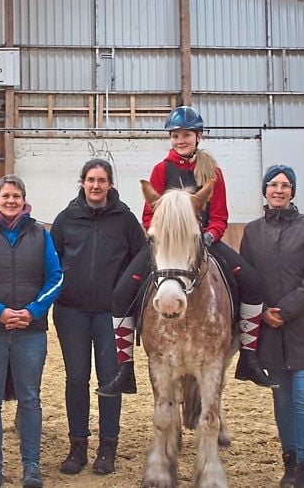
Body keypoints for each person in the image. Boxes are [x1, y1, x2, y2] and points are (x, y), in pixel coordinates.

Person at [97, 105, 276, 395]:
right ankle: (125, 367)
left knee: (253, 284)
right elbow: (148, 214)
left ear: (198, 136)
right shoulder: (160, 170)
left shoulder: (212, 171)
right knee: (120, 295)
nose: (181, 140)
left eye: (186, 135)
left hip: (203, 242)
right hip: (167, 246)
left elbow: (219, 216)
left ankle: (249, 356)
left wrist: (209, 235)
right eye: (176, 135)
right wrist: (161, 234)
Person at [0, 175, 63, 488]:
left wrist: (31, 312)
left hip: (31, 332)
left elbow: (55, 277)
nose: (11, 201)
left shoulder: (41, 235)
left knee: (30, 400)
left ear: (24, 200)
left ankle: (31, 466)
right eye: (5, 196)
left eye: (16, 196)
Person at [49, 158, 146, 476]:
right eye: (90, 180)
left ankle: (108, 448)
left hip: (112, 316)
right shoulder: (66, 219)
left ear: (110, 184)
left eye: (101, 180)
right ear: (82, 182)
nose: (95, 185)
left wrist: (129, 301)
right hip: (71, 312)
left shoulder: (126, 220)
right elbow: (52, 262)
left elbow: (140, 262)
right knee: (76, 379)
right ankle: (77, 446)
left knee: (109, 381)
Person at [240, 165, 304, 488]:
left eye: (285, 185)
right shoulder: (252, 232)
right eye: (273, 184)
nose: (278, 190)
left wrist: (286, 309)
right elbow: (247, 277)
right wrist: (263, 310)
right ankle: (289, 461)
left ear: (292, 192)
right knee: (282, 400)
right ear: (265, 190)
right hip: (270, 331)